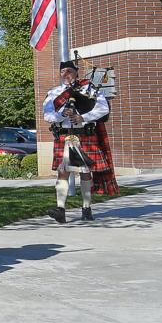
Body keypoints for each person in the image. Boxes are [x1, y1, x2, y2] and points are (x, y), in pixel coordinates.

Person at [43, 60, 118, 222]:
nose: (66, 74)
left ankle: (86, 208)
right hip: (64, 136)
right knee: (63, 172)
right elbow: (47, 115)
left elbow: (103, 109)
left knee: (85, 173)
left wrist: (82, 117)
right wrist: (62, 115)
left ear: (76, 72)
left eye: (69, 71)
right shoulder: (54, 94)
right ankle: (60, 210)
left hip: (85, 135)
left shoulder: (89, 90)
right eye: (63, 71)